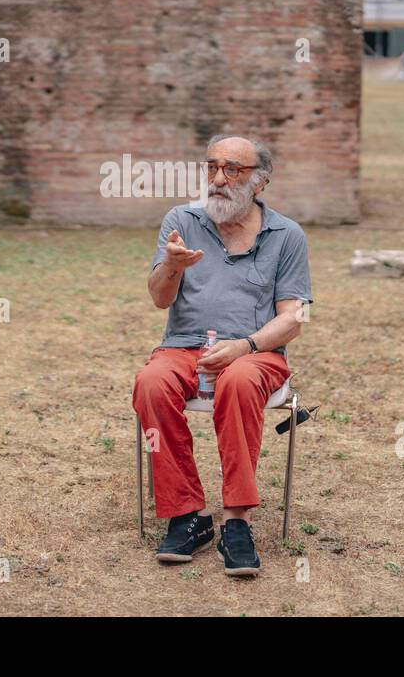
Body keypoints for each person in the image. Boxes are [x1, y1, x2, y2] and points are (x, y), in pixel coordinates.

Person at [132, 135, 312, 576]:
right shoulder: (181, 220)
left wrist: (245, 346)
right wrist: (172, 265)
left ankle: (237, 521)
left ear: (260, 182)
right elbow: (159, 299)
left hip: (255, 354)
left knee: (240, 379)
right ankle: (187, 515)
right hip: (183, 347)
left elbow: (293, 318)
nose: (218, 179)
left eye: (233, 169)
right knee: (151, 383)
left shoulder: (286, 235)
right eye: (212, 167)